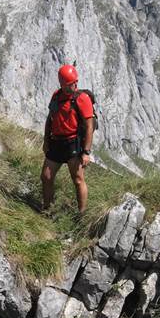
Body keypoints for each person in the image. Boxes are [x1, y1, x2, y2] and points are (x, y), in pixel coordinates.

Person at [41, 63, 94, 214]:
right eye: (72, 83)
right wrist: (46, 140)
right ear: (63, 84)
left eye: (75, 82)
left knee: (78, 179)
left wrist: (86, 152)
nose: (75, 85)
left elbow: (89, 126)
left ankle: (81, 214)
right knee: (46, 177)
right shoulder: (56, 96)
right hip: (56, 142)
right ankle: (47, 210)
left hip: (73, 144)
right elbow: (50, 119)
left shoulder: (82, 99)